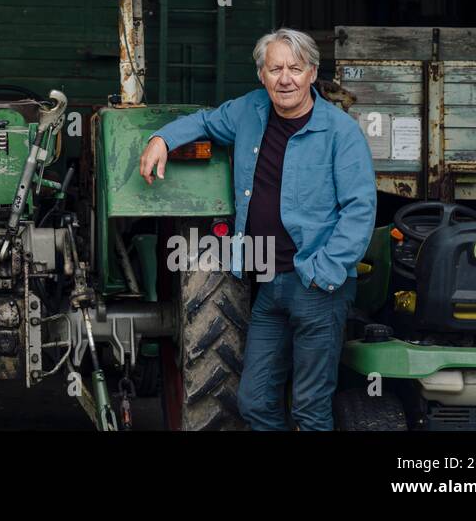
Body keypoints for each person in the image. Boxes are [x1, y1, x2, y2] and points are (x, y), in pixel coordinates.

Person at [139, 28, 376, 430]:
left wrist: (325, 272)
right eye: (275, 68)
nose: (286, 78)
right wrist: (161, 138)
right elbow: (204, 121)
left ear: (312, 73)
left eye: (295, 69)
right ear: (261, 76)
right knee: (253, 403)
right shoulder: (249, 111)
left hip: (318, 286)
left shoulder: (341, 132)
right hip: (270, 283)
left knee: (310, 409)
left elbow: (360, 208)